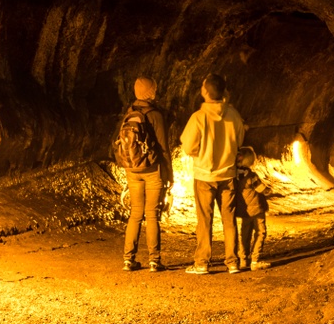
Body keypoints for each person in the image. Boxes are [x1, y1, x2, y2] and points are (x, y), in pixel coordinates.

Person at [179, 73, 247, 275]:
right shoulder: (234, 115)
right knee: (229, 219)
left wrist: (201, 154)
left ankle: (202, 263)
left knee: (204, 220)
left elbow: (188, 146)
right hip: (228, 174)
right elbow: (240, 141)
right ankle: (232, 262)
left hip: (204, 176)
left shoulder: (198, 118)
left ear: (205, 92)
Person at [115, 77, 171, 272]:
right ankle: (155, 260)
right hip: (151, 169)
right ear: (150, 93)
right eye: (154, 88)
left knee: (135, 214)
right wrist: (168, 173)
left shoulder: (128, 115)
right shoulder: (155, 115)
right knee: (152, 214)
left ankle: (128, 260)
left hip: (132, 169)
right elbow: (163, 148)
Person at [234, 146, 271, 270]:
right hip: (257, 209)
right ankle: (255, 259)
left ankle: (243, 260)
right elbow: (261, 189)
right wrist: (268, 190)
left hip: (244, 211)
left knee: (244, 234)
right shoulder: (251, 175)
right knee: (260, 232)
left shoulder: (234, 176)